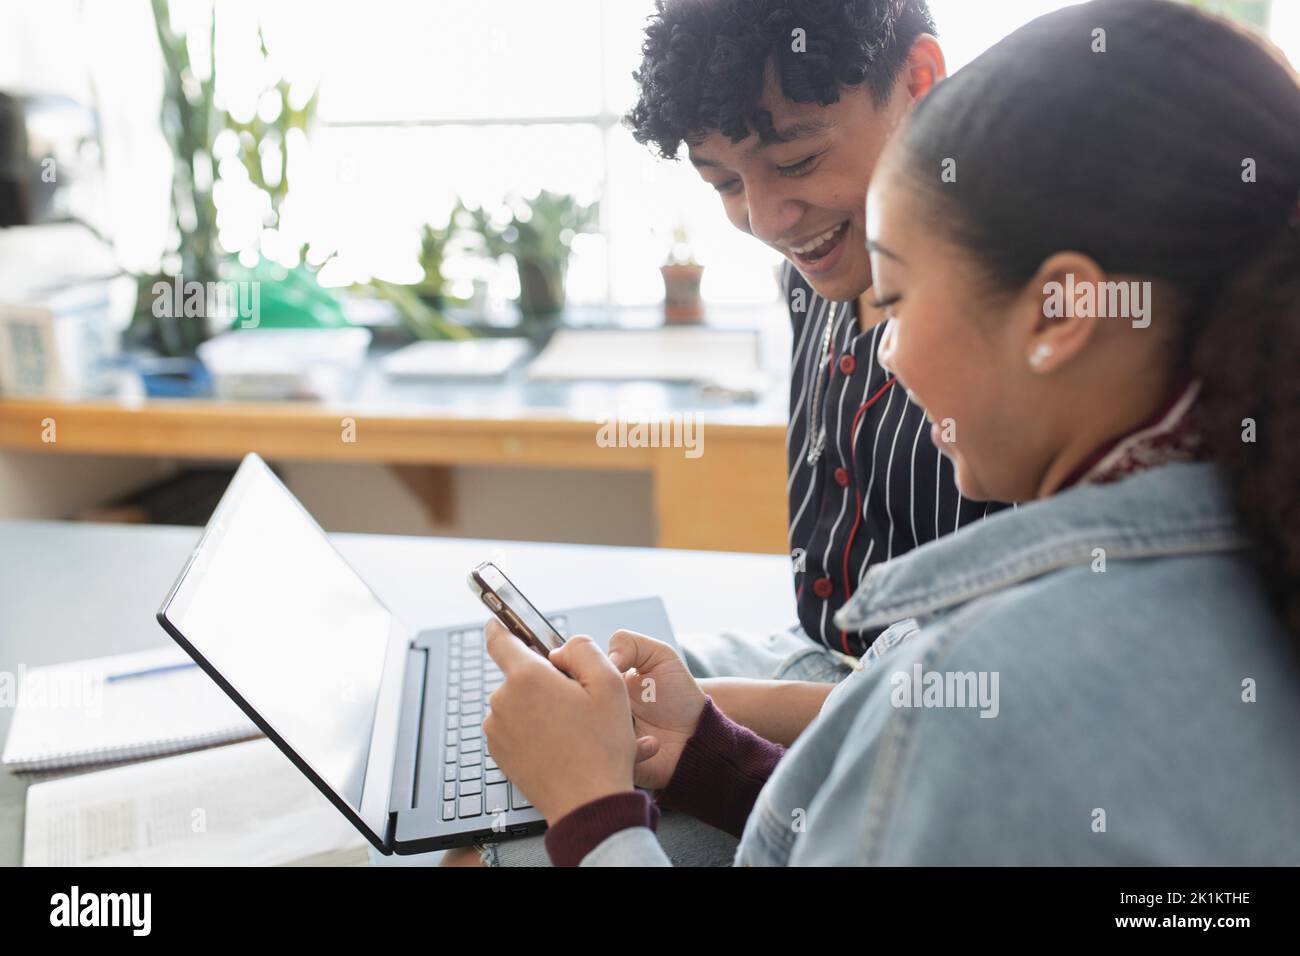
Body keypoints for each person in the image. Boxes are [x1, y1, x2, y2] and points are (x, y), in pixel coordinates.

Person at [474, 0, 1300, 866]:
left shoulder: (981, 665)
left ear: (1062, 311)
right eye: (723, 183)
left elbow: (920, 726)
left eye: (899, 302)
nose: (887, 352)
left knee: (495, 839)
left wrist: (594, 811)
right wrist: (710, 739)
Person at [625, 0, 1009, 710]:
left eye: (797, 160)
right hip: (816, 665)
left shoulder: (1015, 309)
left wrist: (703, 715)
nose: (767, 220)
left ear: (921, 78)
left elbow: (997, 696)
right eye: (725, 184)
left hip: (937, 721)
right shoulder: (816, 279)